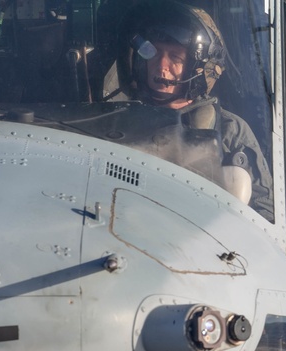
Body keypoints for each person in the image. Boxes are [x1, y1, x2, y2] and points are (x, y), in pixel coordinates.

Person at [116, 0, 273, 219]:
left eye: (175, 57)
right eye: (153, 52)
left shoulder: (230, 130)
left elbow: (263, 212)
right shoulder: (117, 118)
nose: (161, 65)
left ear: (199, 67)